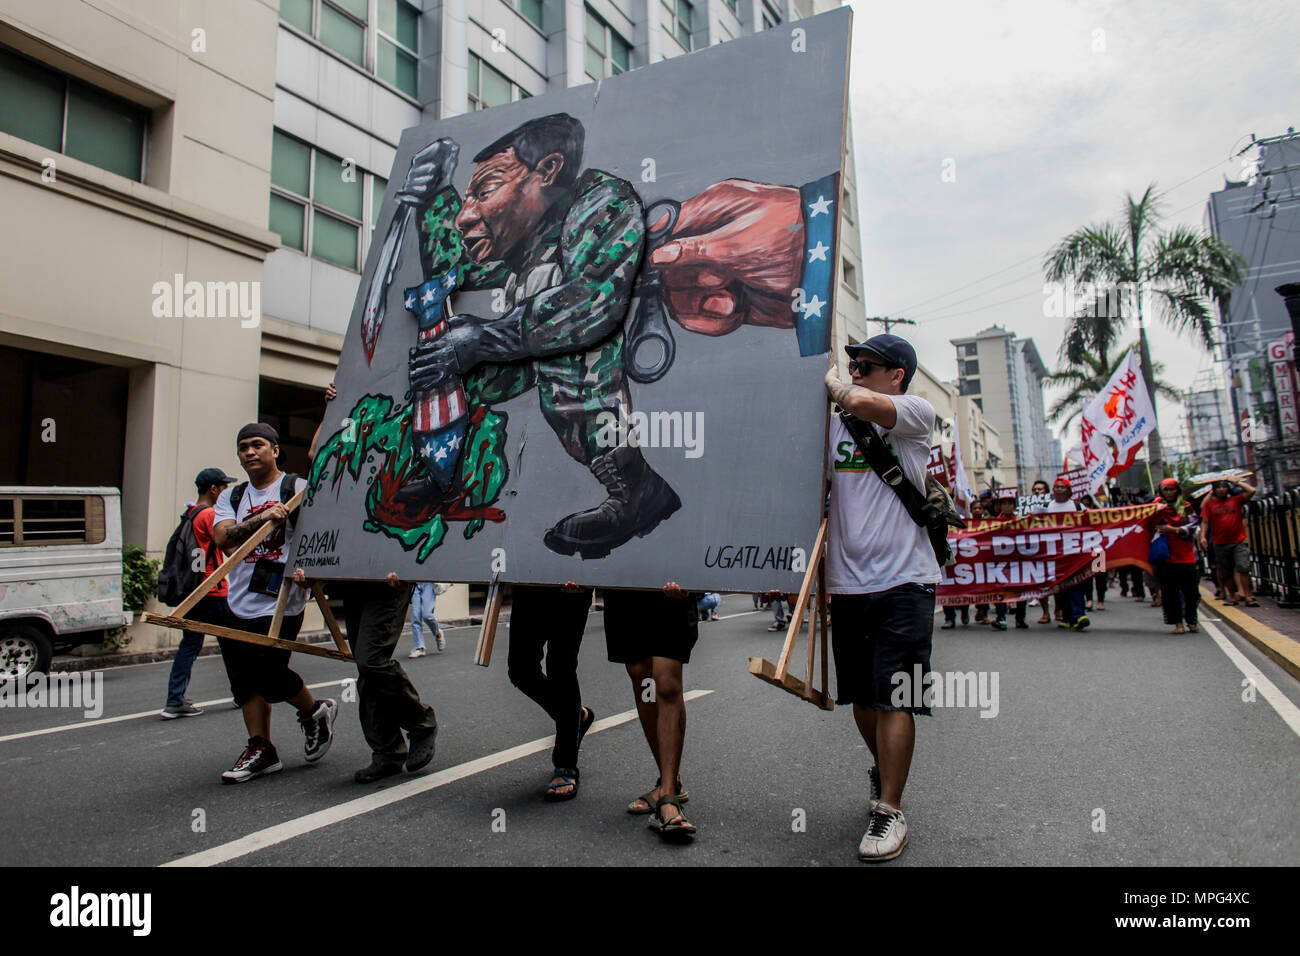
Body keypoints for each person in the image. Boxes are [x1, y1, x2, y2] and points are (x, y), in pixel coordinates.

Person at [824, 333, 939, 863]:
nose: (854, 372)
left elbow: (864, 403)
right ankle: (883, 766)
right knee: (863, 701)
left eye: (865, 365)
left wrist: (830, 385)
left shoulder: (915, 413)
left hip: (905, 581)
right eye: (850, 364)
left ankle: (890, 809)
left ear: (895, 375)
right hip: (848, 584)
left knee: (897, 695)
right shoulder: (832, 423)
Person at [211, 424, 336, 784]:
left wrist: (311, 571)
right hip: (238, 599)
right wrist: (261, 519)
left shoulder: (297, 488)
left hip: (282, 599)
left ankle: (314, 712)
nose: (249, 452)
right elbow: (223, 538)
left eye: (257, 445)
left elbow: (323, 535)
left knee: (268, 675)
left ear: (275, 450)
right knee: (243, 682)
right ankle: (260, 747)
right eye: (243, 447)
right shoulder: (232, 497)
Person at [325, 574, 441, 783]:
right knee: (366, 666)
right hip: (353, 582)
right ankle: (388, 751)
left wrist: (407, 568)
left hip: (387, 581)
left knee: (371, 660)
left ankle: (421, 723)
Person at [606, 583, 699, 841]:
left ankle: (668, 796)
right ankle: (669, 782)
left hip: (671, 586)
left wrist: (693, 578)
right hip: (626, 589)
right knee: (641, 676)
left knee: (667, 684)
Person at [160, 467, 238, 718]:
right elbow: (229, 549)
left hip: (194, 592)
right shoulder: (210, 515)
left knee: (191, 644)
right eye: (224, 487)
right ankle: (242, 693)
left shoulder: (191, 512)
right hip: (212, 590)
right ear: (214, 489)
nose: (225, 491)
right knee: (232, 641)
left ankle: (174, 700)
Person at [506, 584, 596, 800]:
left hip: (573, 587)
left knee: (561, 667)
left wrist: (586, 575)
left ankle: (566, 764)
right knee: (521, 669)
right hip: (530, 583)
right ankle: (575, 717)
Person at [1149, 478, 1201, 633]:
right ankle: (1178, 623)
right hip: (1166, 555)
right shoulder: (1156, 507)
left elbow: (1194, 525)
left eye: (1172, 489)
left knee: (1191, 592)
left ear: (1177, 490)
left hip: (1186, 555)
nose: (1169, 492)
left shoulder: (1186, 507)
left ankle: (1192, 620)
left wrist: (1175, 530)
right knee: (1170, 592)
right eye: (1166, 489)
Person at [1199, 479, 1258, 607]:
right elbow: (1205, 521)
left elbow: (1252, 490)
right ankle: (1232, 596)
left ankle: (1248, 596)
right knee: (1226, 571)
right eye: (1218, 487)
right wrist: (1203, 536)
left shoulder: (1236, 500)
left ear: (1228, 489)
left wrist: (1236, 482)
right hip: (1220, 542)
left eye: (1224, 487)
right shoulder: (1210, 505)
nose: (1221, 489)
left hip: (1239, 540)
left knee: (1243, 567)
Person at [1045, 476, 1090, 631]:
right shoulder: (1047, 507)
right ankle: (1066, 617)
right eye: (1057, 487)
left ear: (1069, 491)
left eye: (1062, 487)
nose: (1059, 489)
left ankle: (1079, 615)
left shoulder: (1078, 507)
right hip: (1055, 553)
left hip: (1075, 552)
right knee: (1061, 585)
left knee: (1076, 583)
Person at [990, 494, 1027, 630]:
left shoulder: (1022, 521)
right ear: (999, 507)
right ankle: (1001, 618)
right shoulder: (992, 523)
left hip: (1019, 561)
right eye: (1004, 504)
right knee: (999, 590)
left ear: (1014, 506)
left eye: (1009, 503)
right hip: (1000, 562)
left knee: (1021, 590)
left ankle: (1020, 619)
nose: (1007, 506)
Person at [409, 581, 446, 657]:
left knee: (427, 615)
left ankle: (438, 633)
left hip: (428, 582)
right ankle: (419, 648)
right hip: (413, 583)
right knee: (415, 616)